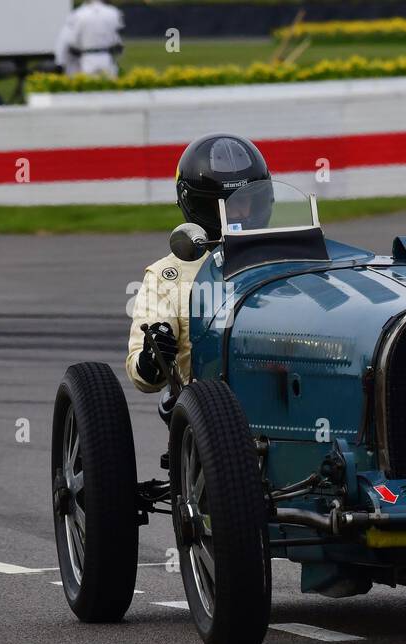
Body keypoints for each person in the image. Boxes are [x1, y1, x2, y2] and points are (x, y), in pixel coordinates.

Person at [126, 134, 271, 398]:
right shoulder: (167, 276)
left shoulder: (288, 256)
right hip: (209, 408)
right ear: (199, 205)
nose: (240, 213)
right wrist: (153, 354)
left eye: (246, 200)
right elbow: (145, 378)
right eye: (227, 204)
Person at [54, 0, 125, 78]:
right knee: (108, 85)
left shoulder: (79, 14)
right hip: (107, 57)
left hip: (86, 59)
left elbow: (70, 40)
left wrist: (61, 62)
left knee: (89, 85)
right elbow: (118, 39)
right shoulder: (113, 12)